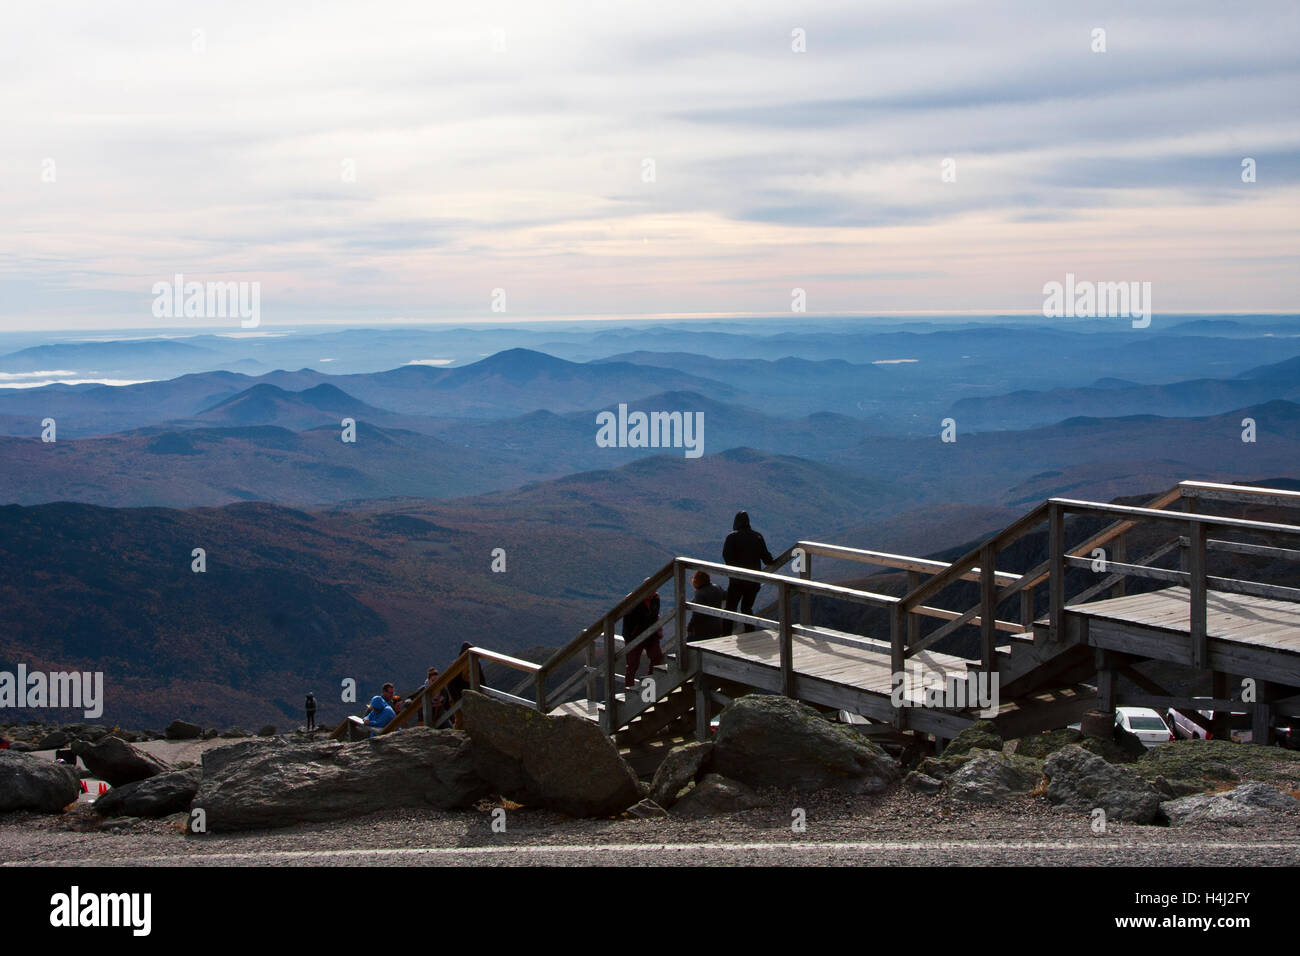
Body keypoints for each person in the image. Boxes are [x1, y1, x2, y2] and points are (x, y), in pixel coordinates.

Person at [722, 510, 774, 634]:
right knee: (747, 607)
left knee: (730, 608)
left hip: (737, 581)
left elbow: (726, 556)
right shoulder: (757, 536)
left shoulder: (732, 537)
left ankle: (725, 634)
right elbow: (767, 559)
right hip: (754, 581)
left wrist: (734, 570)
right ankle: (750, 633)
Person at [623, 585, 664, 690]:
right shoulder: (632, 599)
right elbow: (625, 615)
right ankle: (629, 690)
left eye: (654, 591)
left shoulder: (656, 598)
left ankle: (649, 687)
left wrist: (659, 629)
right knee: (633, 664)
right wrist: (629, 637)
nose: (652, 593)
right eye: (650, 591)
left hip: (651, 633)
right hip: (634, 636)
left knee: (657, 657)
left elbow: (656, 615)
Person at [447, 643, 488, 729]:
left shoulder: (476, 663)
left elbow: (482, 680)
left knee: (475, 718)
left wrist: (486, 695)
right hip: (458, 696)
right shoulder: (458, 665)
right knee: (460, 719)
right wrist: (459, 701)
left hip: (471, 695)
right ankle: (457, 736)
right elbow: (451, 685)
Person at [685, 570, 727, 640]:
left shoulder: (700, 594)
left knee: (688, 642)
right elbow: (725, 596)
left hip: (703, 630)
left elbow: (697, 614)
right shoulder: (717, 588)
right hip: (718, 626)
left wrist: (690, 626)